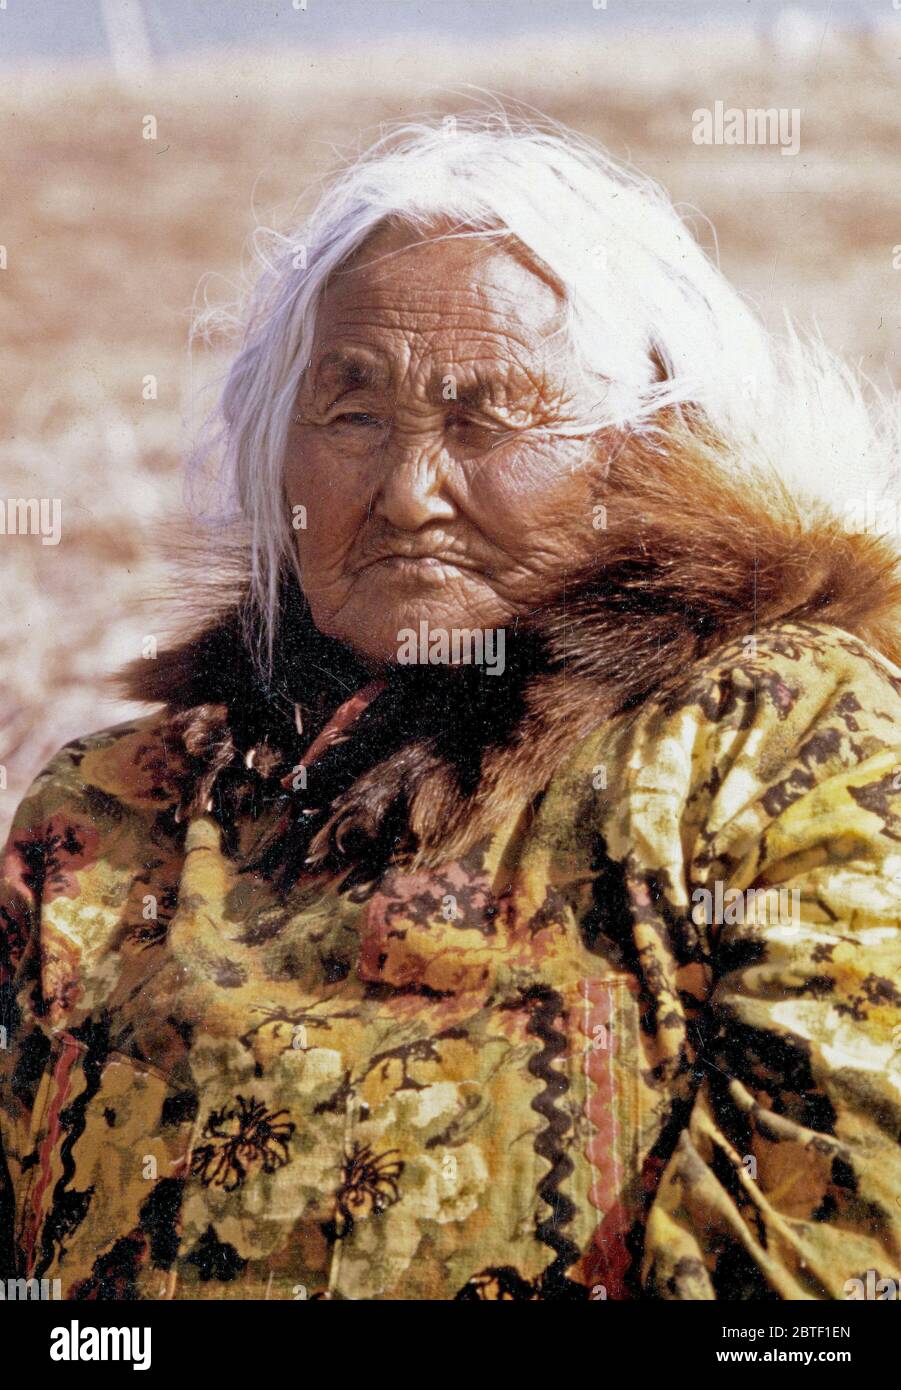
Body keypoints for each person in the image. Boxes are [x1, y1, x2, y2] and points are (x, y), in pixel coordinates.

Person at [2, 112, 900, 1300]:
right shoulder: (108, 814)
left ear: (646, 450)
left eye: (489, 416)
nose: (408, 490)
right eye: (353, 413)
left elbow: (817, 1272)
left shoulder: (777, 741)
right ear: (275, 446)